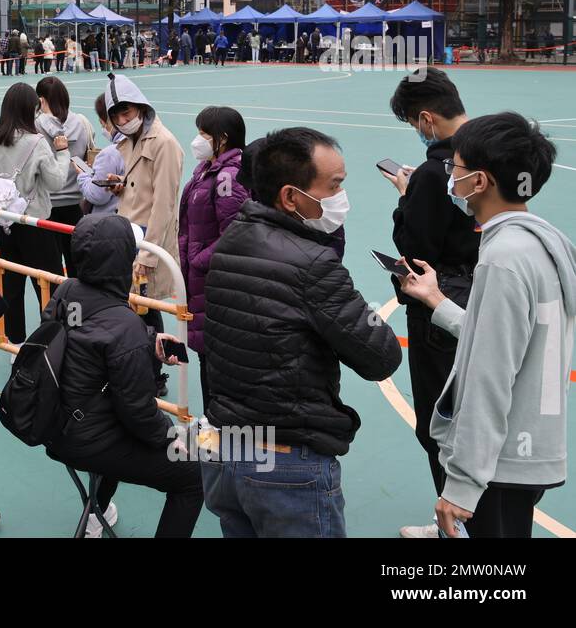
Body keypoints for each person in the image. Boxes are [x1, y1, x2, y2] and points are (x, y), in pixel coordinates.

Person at [201, 127, 402, 537]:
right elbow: (381, 357)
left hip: (226, 447)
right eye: (334, 186)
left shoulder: (232, 239)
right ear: (291, 196)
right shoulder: (314, 265)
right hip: (286, 459)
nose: (340, 198)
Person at [398, 113, 572, 539]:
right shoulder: (542, 242)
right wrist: (437, 301)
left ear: (479, 181)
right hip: (529, 445)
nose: (449, 178)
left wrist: (463, 483)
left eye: (455, 168)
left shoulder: (503, 259)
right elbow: (509, 339)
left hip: (500, 458)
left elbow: (489, 377)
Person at [42, 213, 205, 537]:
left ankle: (95, 513)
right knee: (193, 477)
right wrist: (172, 437)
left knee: (113, 428)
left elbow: (84, 339)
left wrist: (144, 343)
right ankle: (99, 510)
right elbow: (138, 412)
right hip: (91, 441)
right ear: (121, 262)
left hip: (55, 426)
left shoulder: (66, 292)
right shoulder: (124, 324)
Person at [383, 68, 479, 538]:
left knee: (438, 425)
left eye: (413, 123)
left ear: (426, 118)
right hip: (480, 299)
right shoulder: (487, 155)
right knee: (476, 419)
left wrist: (405, 198)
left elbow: (413, 246)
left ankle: (454, 526)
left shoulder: (432, 172)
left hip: (438, 306)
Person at [0, 83, 69, 345]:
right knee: (49, 284)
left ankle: (14, 340)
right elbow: (56, 182)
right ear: (31, 110)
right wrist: (62, 153)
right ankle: (52, 340)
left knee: (11, 282)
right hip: (34, 222)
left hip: (4, 221)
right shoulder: (37, 142)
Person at [177, 107, 249, 404]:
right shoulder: (208, 169)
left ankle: (219, 430)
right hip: (202, 282)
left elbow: (234, 234)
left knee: (217, 362)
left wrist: (199, 260)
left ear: (222, 138)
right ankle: (214, 425)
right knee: (209, 358)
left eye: (204, 134)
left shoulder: (228, 177)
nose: (198, 139)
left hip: (214, 282)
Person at [101, 74, 183, 309]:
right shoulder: (130, 140)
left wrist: (149, 255)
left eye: (126, 113)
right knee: (133, 307)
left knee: (147, 309)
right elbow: (141, 184)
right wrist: (122, 185)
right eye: (115, 117)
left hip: (148, 240)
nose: (122, 120)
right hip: (129, 236)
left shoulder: (164, 143)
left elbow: (164, 204)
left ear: (141, 106)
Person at [35, 75, 92, 276]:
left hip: (47, 204)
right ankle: (79, 305)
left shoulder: (35, 126)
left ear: (40, 100)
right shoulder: (82, 122)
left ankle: (57, 306)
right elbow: (88, 155)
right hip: (76, 201)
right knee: (77, 263)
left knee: (50, 269)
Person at [78, 94, 125, 215]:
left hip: (109, 221)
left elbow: (97, 195)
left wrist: (83, 175)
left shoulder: (110, 154)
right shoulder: (142, 145)